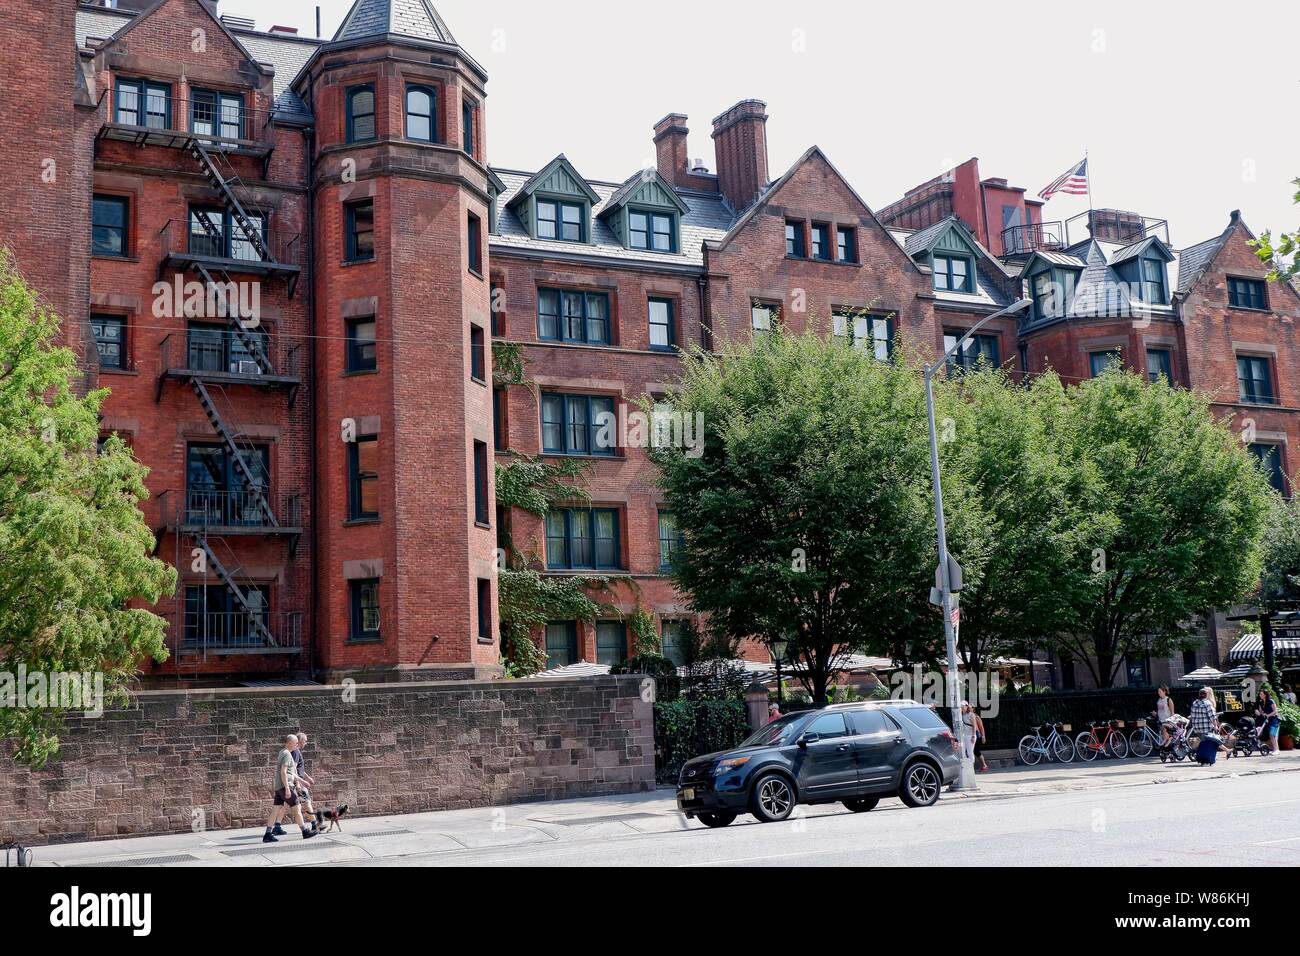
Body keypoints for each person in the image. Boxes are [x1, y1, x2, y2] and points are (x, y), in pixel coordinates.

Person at [264, 734, 316, 843]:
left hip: (279, 787)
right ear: (289, 743)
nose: (297, 744)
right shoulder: (287, 754)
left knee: (275, 810)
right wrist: (287, 788)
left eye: (298, 743)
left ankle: (268, 834)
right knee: (297, 808)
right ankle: (305, 831)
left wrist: (303, 781)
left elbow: (290, 772)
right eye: (296, 743)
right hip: (284, 786)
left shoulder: (283, 752)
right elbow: (283, 772)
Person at [294, 732, 320, 832]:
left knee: (283, 806)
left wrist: (308, 777)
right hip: (299, 782)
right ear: (300, 741)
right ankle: (314, 824)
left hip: (299, 781)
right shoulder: (296, 752)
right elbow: (294, 769)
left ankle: (277, 825)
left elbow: (299, 768)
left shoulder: (296, 751)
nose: (306, 743)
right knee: (306, 802)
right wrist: (298, 783)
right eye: (305, 740)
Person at [960, 701, 988, 772]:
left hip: (976, 735)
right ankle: (982, 765)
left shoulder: (975, 716)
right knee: (973, 751)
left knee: (976, 751)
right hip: (969, 735)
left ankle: (984, 765)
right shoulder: (964, 715)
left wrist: (983, 736)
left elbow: (981, 727)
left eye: (971, 707)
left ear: (973, 708)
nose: (970, 708)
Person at [1257, 689, 1281, 753]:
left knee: (1272, 734)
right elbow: (1261, 712)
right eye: (1260, 694)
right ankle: (1276, 749)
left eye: (1261, 694)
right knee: (1272, 735)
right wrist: (1260, 713)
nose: (1260, 695)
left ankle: (1276, 750)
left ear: (1265, 695)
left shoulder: (1271, 701)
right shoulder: (1261, 702)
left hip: (1275, 720)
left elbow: (1275, 711)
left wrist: (1268, 715)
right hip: (1268, 720)